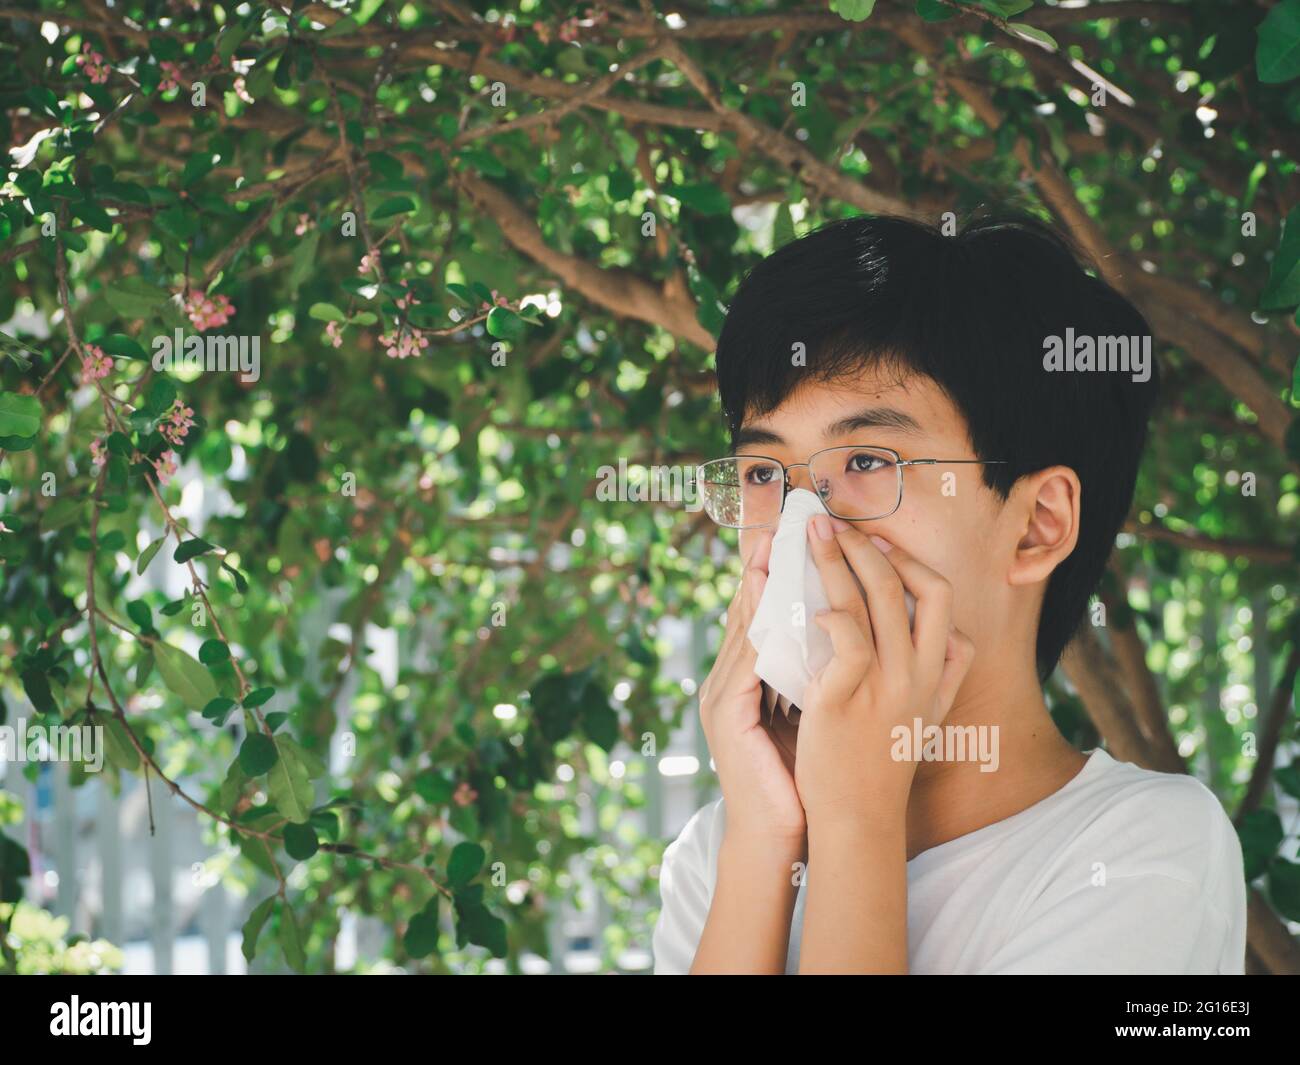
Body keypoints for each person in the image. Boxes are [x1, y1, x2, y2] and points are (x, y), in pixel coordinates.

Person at [652, 213, 1247, 974]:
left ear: (1036, 526)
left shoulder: (1145, 853)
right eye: (764, 473)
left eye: (867, 460)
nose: (803, 524)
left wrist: (856, 817)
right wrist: (764, 842)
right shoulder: (721, 852)